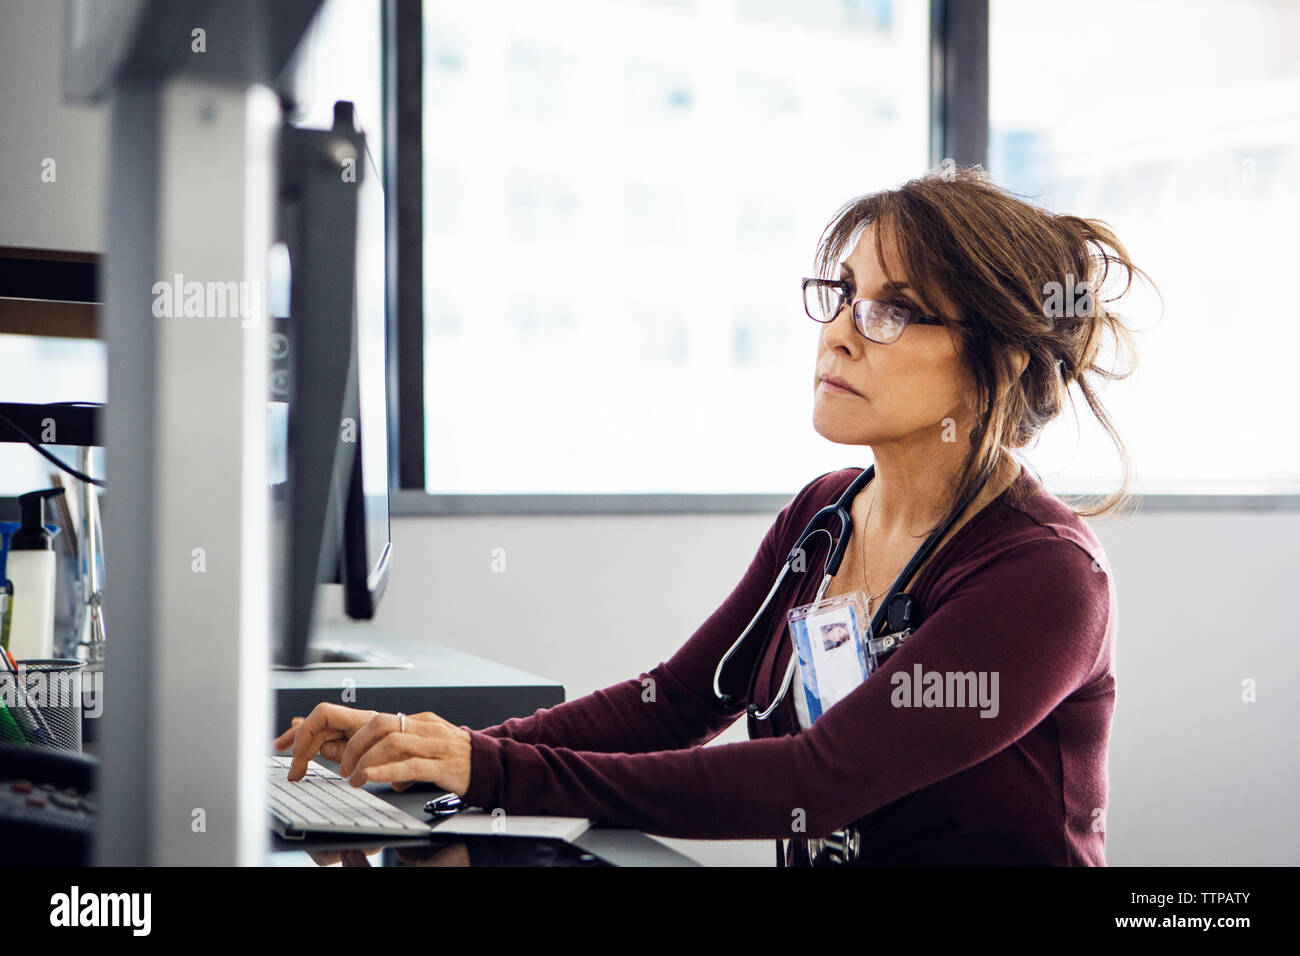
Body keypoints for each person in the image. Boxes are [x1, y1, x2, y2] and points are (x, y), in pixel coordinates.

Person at [274, 165, 1151, 866]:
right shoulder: (825, 518)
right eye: (843, 294)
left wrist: (495, 771)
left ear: (995, 363)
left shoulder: (1044, 577)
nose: (839, 332)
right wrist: (437, 749)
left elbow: (821, 778)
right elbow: (679, 700)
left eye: (895, 309)